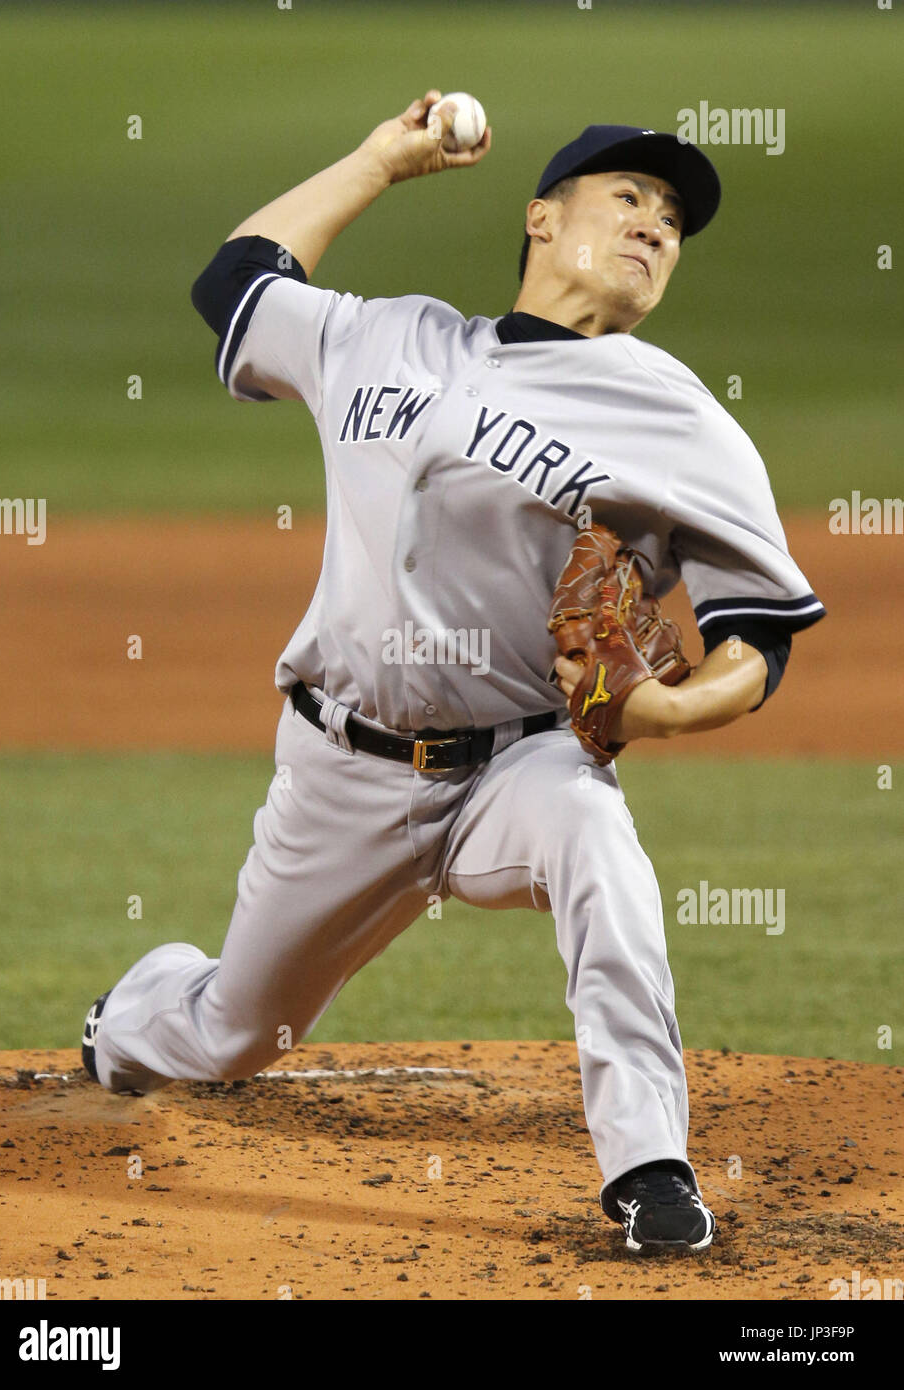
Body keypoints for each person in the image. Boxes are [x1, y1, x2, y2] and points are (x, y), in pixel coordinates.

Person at [82, 91, 825, 1254]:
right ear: (540, 218)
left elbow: (757, 633)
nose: (651, 226)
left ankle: (649, 1167)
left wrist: (677, 704)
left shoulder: (681, 421)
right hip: (341, 767)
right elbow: (233, 282)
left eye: (671, 219)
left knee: (599, 849)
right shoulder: (391, 336)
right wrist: (378, 160)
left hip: (520, 764)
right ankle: (127, 1014)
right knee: (232, 1032)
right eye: (626, 197)